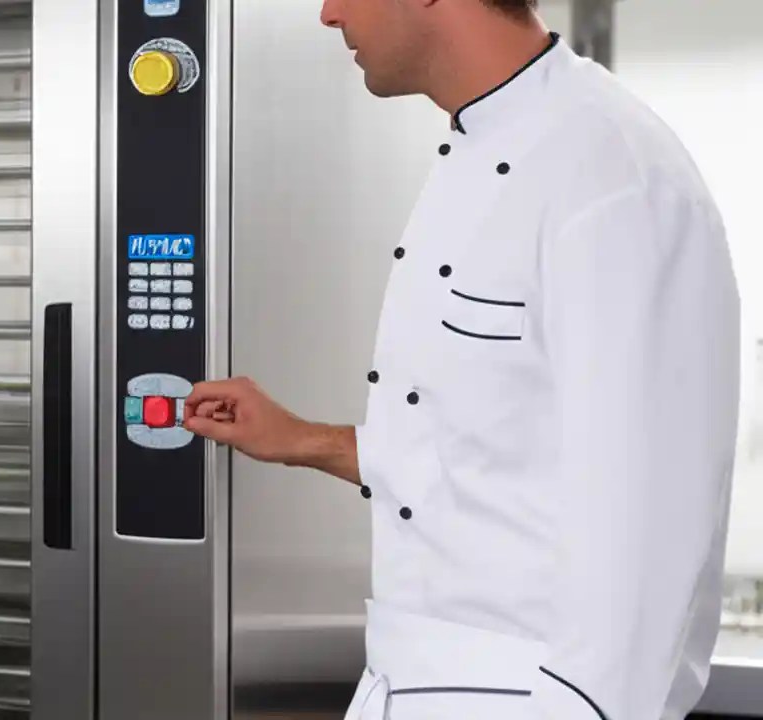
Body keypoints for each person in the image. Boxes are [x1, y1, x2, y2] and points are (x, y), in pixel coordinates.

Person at [182, 0, 741, 718]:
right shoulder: (484, 143)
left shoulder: (612, 174)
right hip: (411, 680)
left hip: (534, 697)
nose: (326, 12)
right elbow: (490, 457)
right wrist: (301, 441)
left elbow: (653, 527)